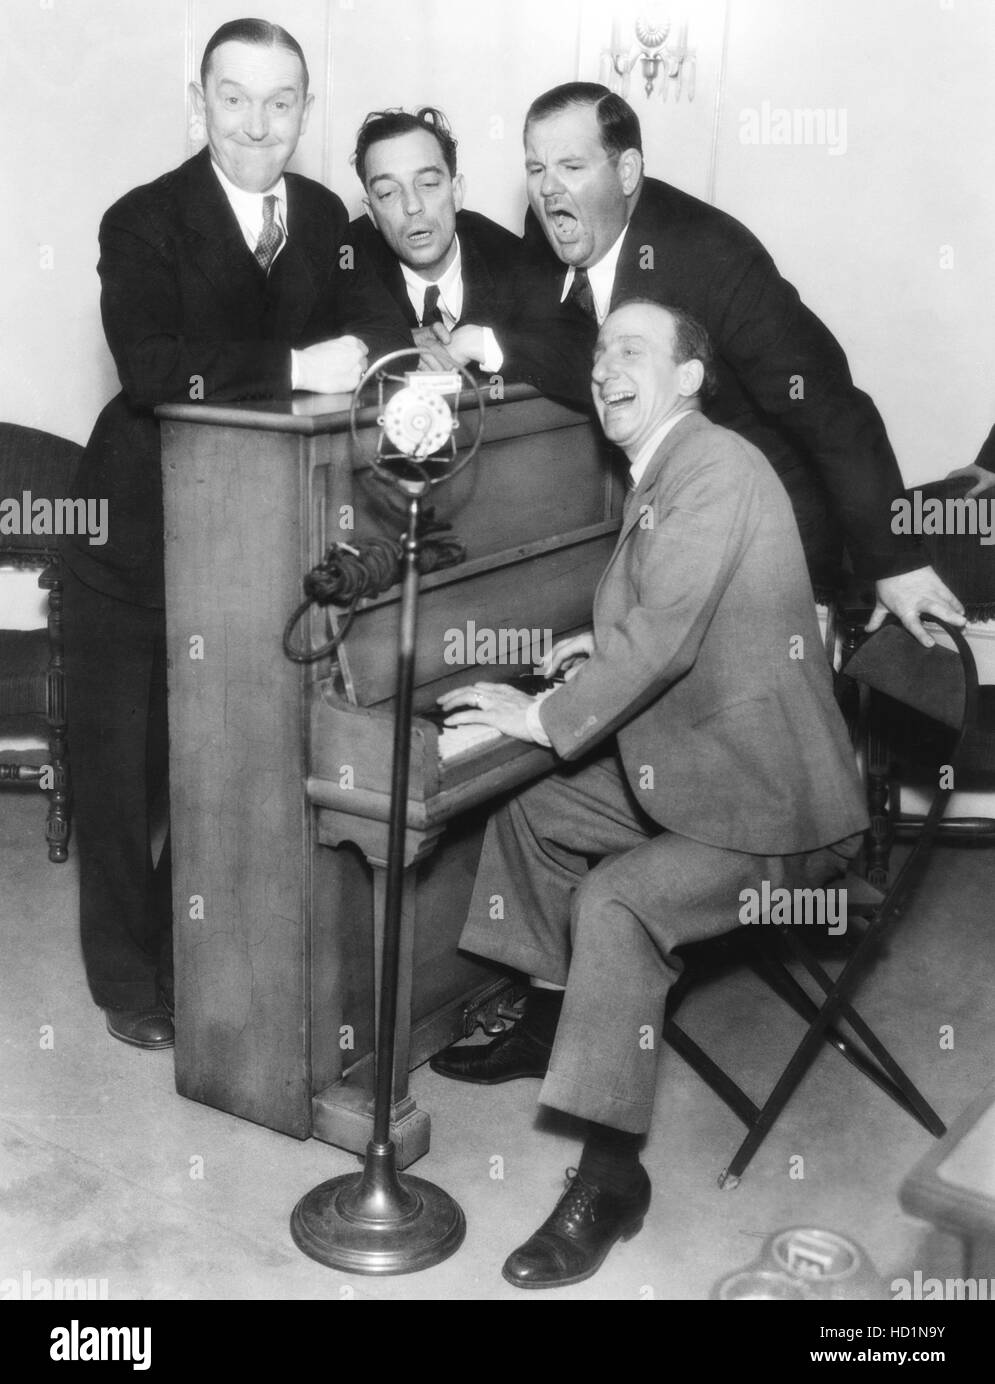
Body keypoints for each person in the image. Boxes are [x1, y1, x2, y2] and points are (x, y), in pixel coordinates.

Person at [431, 299, 868, 1289]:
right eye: (596, 352)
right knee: (532, 813)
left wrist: (541, 716)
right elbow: (681, 611)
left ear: (688, 375)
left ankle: (609, 1179)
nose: (602, 368)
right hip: (698, 765)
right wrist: (593, 646)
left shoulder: (714, 466)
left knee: (615, 903)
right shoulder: (669, 467)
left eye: (630, 350)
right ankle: (555, 1016)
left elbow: (666, 629)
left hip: (777, 807)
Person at [63, 18, 409, 1050]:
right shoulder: (142, 220)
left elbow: (377, 329)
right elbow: (154, 366)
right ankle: (129, 980)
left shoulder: (327, 216)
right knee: (124, 776)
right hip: (131, 536)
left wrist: (377, 354)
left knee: (223, 761)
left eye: (280, 102)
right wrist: (303, 365)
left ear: (306, 111)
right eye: (234, 97)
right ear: (197, 103)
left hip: (253, 537)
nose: (257, 123)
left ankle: (184, 943)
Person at [441, 82, 964, 648]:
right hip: (662, 520)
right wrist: (493, 346)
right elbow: (572, 344)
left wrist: (894, 562)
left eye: (571, 165)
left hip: (770, 529)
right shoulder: (552, 229)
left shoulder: (713, 256)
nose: (548, 189)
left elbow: (829, 405)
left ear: (626, 171)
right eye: (536, 168)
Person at [348, 107, 521, 347]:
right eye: (387, 193)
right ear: (371, 214)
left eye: (428, 184)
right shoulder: (341, 271)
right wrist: (398, 343)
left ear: (456, 191)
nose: (412, 206)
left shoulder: (517, 265)